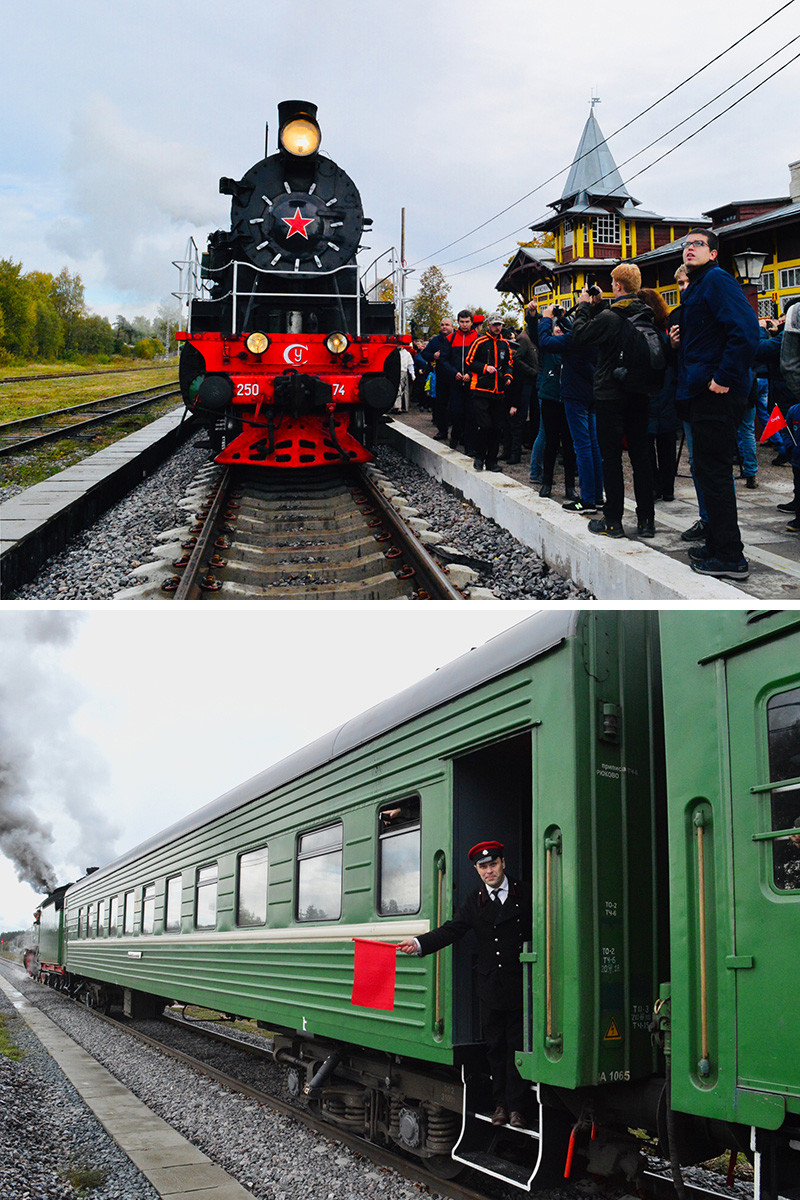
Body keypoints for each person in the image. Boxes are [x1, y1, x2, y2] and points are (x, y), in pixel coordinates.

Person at [398, 841, 530, 1128]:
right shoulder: (475, 900)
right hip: (490, 987)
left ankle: (518, 1107)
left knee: (516, 1049)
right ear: (476, 870)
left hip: (520, 985)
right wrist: (419, 943)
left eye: (493, 864)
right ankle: (500, 1105)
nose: (489, 871)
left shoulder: (525, 893)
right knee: (494, 1048)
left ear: (503, 864)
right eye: (483, 867)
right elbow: (452, 930)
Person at [669, 229, 759, 580]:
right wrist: (679, 342)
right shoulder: (698, 285)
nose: (689, 249)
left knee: (716, 473)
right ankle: (717, 543)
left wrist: (724, 377)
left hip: (717, 393)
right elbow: (710, 338)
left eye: (697, 244)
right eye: (685, 245)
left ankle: (731, 557)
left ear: (714, 253)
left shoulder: (718, 280)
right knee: (706, 472)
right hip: (699, 393)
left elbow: (746, 331)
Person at [571, 264, 656, 539]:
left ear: (617, 286)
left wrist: (584, 306)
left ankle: (613, 521)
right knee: (641, 456)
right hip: (640, 391)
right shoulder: (646, 313)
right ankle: (646, 521)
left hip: (610, 394)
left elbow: (581, 335)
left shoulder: (611, 316)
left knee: (611, 459)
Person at [536, 301, 600, 512]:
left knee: (581, 448)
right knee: (592, 446)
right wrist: (563, 318)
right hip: (590, 395)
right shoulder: (593, 334)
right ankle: (597, 496)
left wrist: (546, 318)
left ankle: (588, 499)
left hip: (574, 396)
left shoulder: (574, 339)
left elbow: (544, 342)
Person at [640, 288, 680, 504]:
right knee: (667, 444)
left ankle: (656, 485)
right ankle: (668, 487)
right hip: (668, 391)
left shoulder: (645, 331)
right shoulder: (667, 330)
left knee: (648, 445)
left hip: (652, 390)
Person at [465, 314, 514, 471]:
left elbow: (509, 363)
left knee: (497, 427)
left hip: (498, 392)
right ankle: (479, 457)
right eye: (494, 325)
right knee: (484, 426)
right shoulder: (479, 342)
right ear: (488, 325)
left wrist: (508, 376)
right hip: (481, 390)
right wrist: (486, 368)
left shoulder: (505, 344)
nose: (497, 327)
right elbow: (469, 362)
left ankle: (492, 461)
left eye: (499, 325)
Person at [441, 310, 479, 451]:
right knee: (456, 412)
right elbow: (444, 360)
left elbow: (479, 359)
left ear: (471, 322)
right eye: (462, 322)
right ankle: (456, 435)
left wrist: (470, 373)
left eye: (467, 322)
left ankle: (470, 445)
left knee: (471, 413)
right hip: (455, 382)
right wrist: (454, 373)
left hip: (471, 382)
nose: (464, 325)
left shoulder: (477, 338)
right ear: (458, 322)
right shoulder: (450, 338)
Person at [422, 317, 455, 442]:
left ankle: (459, 433)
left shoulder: (456, 339)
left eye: (447, 324)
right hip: (441, 377)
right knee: (440, 405)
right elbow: (424, 354)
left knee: (456, 406)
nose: (444, 327)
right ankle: (442, 430)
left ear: (452, 326)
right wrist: (433, 356)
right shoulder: (435, 340)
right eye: (442, 324)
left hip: (455, 376)